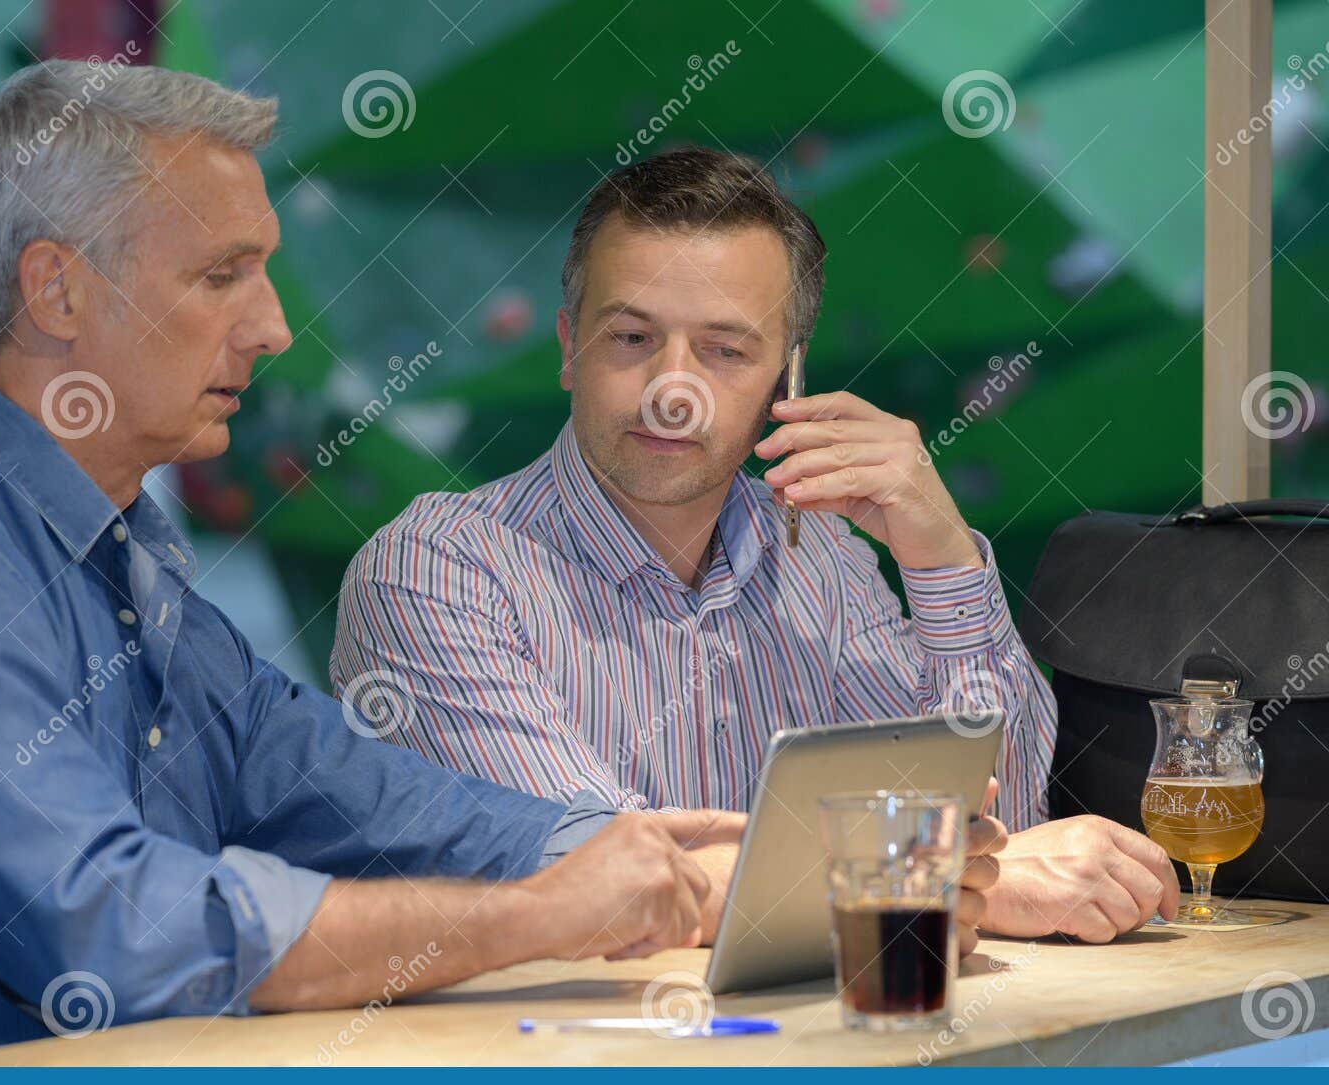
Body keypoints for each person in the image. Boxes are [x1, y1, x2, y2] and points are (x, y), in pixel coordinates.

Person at [0, 64, 764, 1067]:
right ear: (55, 290)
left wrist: (649, 856)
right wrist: (536, 915)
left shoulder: (121, 558)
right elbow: (118, 933)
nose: (271, 327)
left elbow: (368, 798)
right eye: (221, 274)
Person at [332, 145, 1180, 947]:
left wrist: (944, 557)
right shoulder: (436, 570)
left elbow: (1007, 817)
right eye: (631, 339)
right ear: (567, 347)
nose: (673, 390)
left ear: (787, 379)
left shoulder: (821, 556)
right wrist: (944, 876)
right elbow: (602, 878)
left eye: (724, 350)